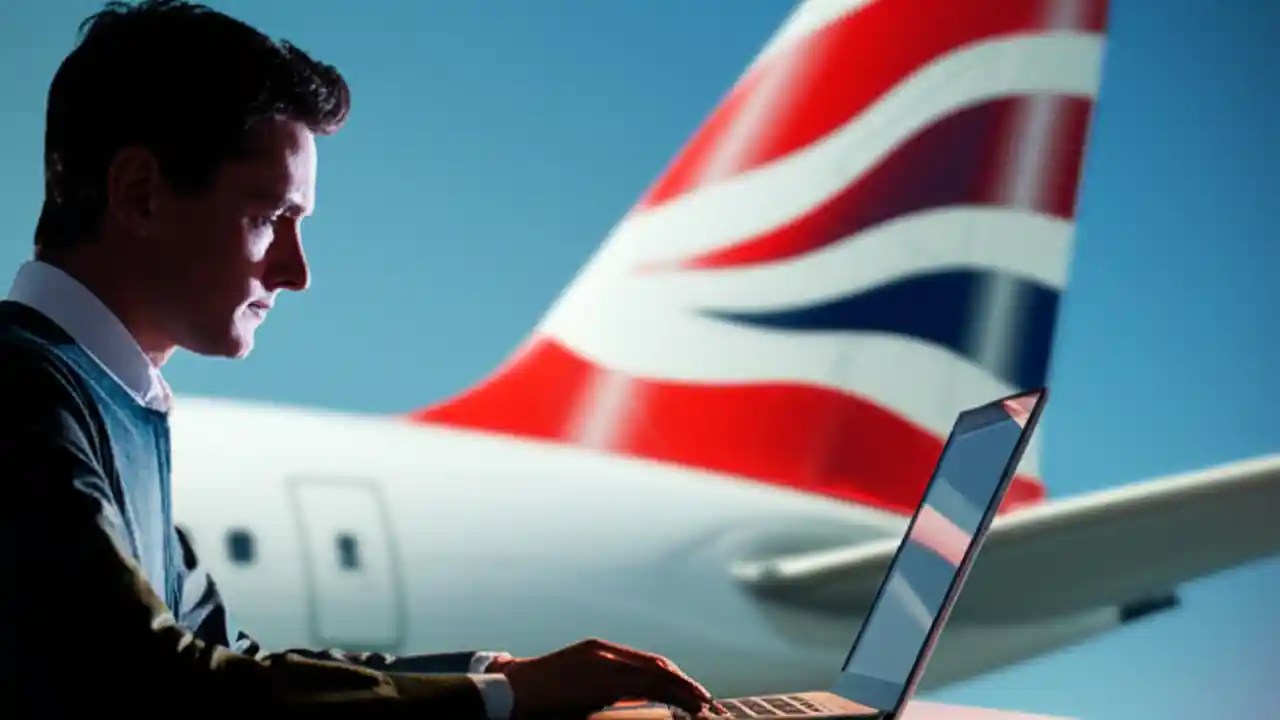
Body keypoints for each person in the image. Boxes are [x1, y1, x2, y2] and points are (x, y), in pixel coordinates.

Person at [0, 1, 720, 717]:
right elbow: (167, 690)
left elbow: (223, 661)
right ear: (140, 195)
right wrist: (503, 697)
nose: (296, 270)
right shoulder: (22, 390)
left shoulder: (93, 394)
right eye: (270, 218)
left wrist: (496, 674)